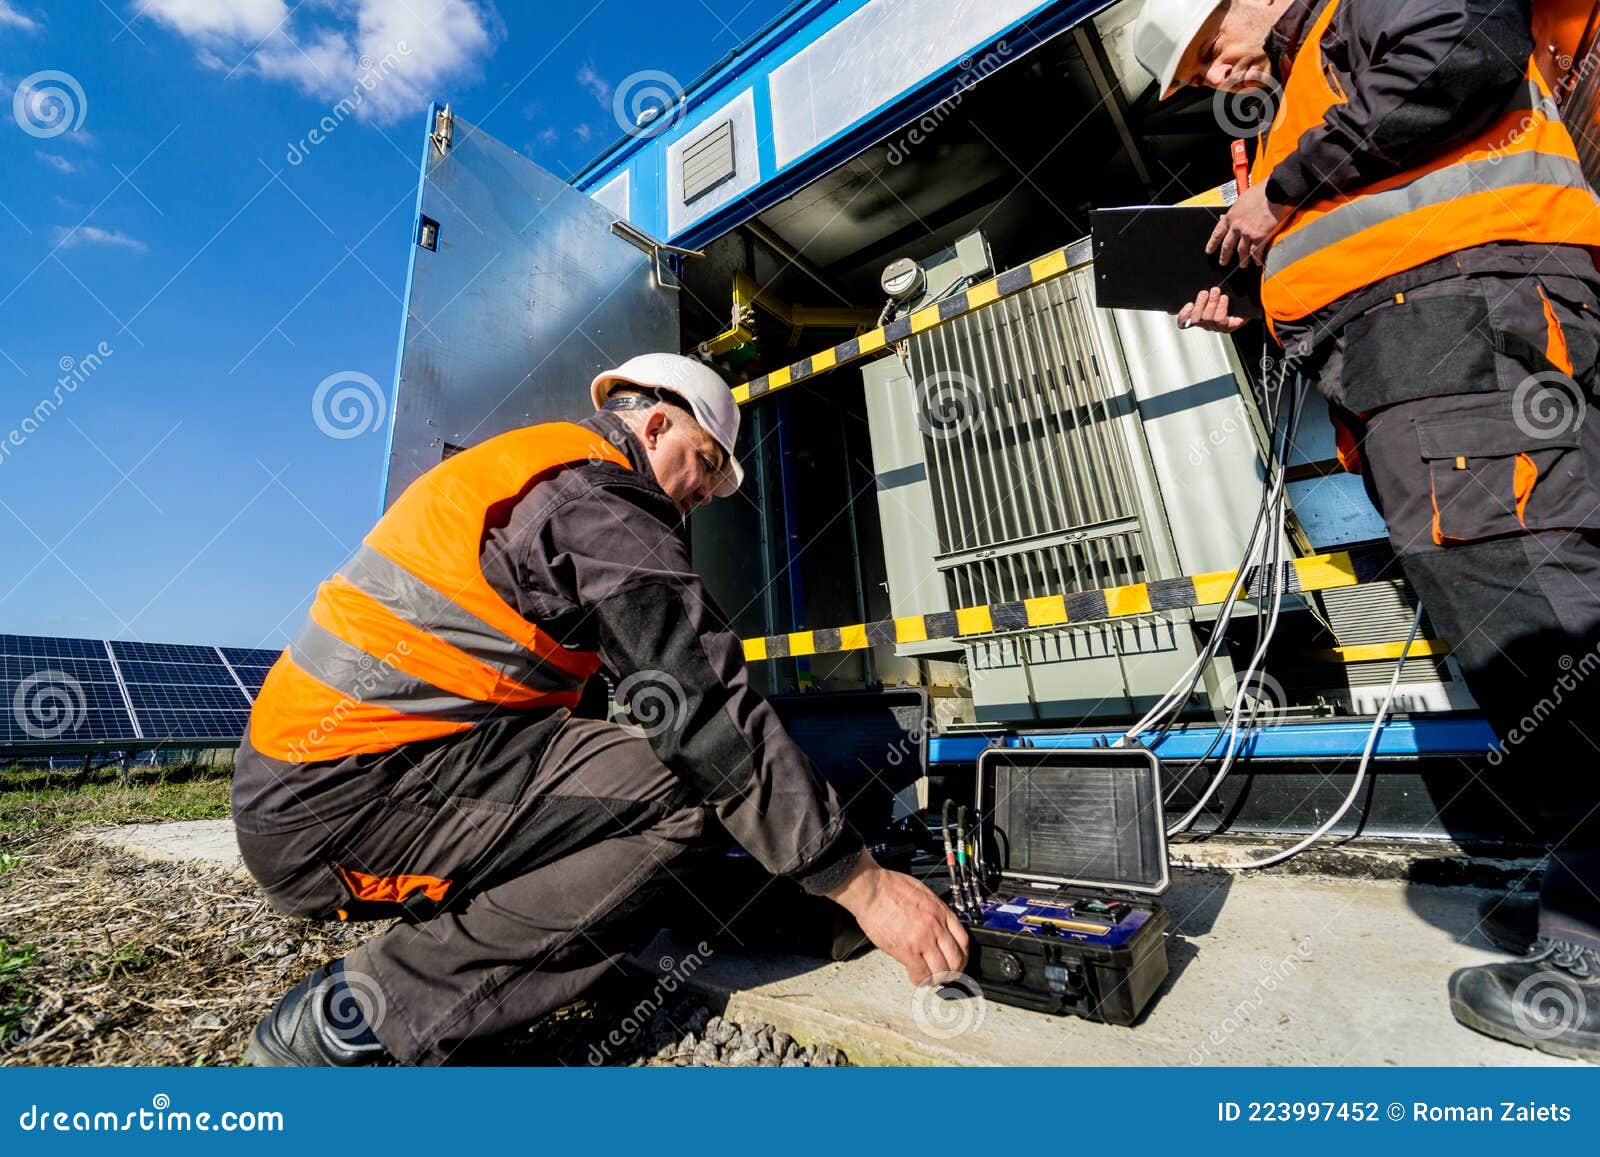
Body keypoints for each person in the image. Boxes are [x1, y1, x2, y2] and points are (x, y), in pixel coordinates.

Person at [233, 352, 967, 1066]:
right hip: (340, 798)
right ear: (653, 427)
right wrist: (860, 883)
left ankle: (535, 948)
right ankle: (364, 1013)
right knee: (682, 789)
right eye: (709, 462)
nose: (708, 493)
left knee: (646, 775)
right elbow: (703, 711)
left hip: (323, 785)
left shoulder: (542, 474)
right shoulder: (597, 502)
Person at [1135, 0, 1600, 1061]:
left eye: (1209, 51)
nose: (1213, 76)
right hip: (1440, 345)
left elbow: (1461, 46)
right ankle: (1578, 911)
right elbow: (1377, 213)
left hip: (1463, 337)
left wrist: (1281, 193)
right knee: (1528, 623)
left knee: (1536, 627)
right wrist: (1256, 305)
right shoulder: (1309, 80)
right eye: (1198, 75)